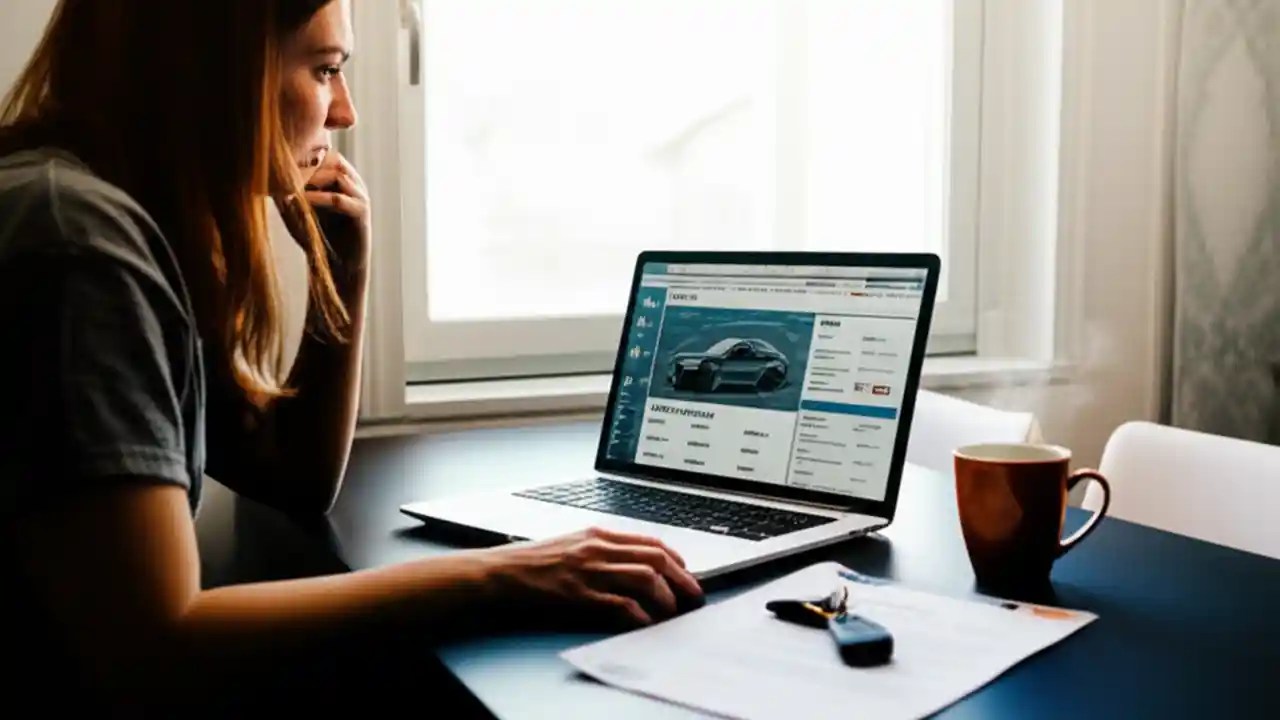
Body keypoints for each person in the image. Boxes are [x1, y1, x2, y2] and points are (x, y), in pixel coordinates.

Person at [0, 0, 701, 712]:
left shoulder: (103, 215)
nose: (345, 112)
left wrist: (342, 269)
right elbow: (155, 644)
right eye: (325, 69)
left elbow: (291, 478)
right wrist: (506, 574)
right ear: (217, 69)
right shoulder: (77, 246)